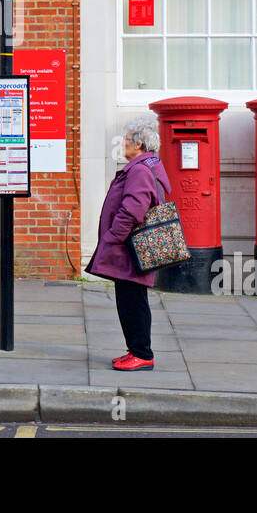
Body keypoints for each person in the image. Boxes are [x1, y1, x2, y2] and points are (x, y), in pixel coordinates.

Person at [86, 116, 172, 372]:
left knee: (133, 301)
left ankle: (142, 354)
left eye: (126, 140)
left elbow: (132, 210)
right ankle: (135, 349)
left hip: (130, 249)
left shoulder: (140, 170)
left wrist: (113, 237)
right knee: (129, 299)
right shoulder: (145, 166)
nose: (122, 144)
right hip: (130, 249)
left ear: (139, 144)